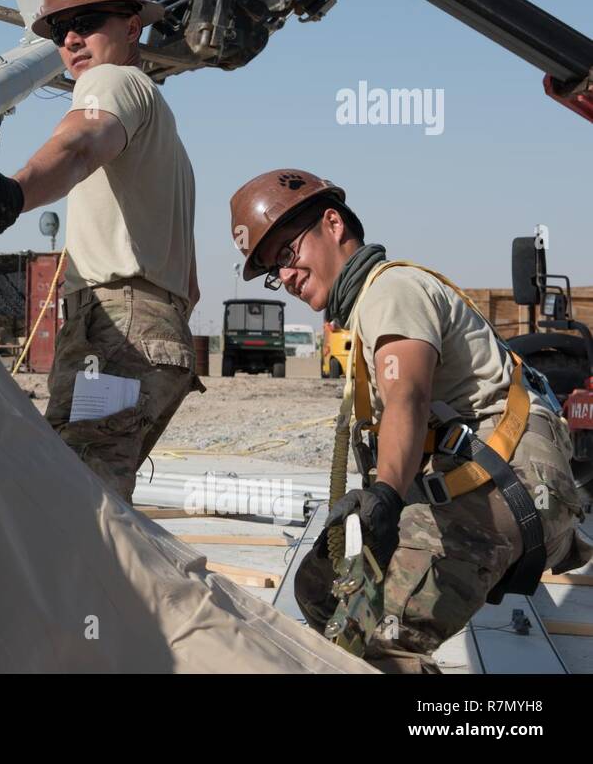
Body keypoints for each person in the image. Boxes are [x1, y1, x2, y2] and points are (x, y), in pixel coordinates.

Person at [228, 168, 592, 671]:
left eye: (288, 254)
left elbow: (408, 398)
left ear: (333, 225)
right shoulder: (367, 307)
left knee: (364, 630)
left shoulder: (390, 290)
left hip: (516, 485)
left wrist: (386, 497)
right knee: (320, 589)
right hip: (499, 481)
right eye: (275, 270)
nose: (286, 278)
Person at [0, 0, 202, 502]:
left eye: (87, 23)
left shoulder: (112, 82)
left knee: (70, 504)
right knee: (96, 497)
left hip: (117, 327)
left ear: (133, 26)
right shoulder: (166, 135)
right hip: (158, 337)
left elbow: (79, 144)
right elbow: (191, 285)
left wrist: (16, 191)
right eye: (60, 30)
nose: (70, 40)